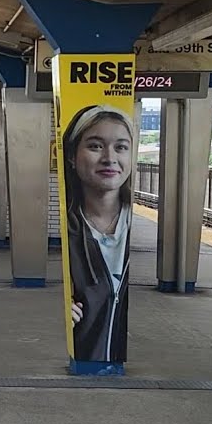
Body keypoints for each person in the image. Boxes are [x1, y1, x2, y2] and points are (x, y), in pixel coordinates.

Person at [61, 105, 135, 363]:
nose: (109, 158)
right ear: (71, 155)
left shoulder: (141, 228)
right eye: (95, 146)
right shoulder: (64, 231)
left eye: (121, 147)